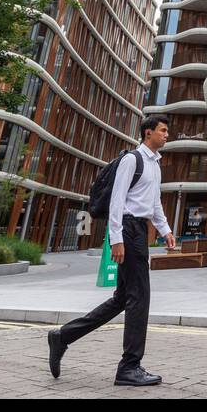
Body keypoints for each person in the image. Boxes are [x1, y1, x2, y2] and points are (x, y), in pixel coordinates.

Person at [48, 116, 175, 386]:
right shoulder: (133, 160)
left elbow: (154, 204)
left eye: (167, 131)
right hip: (128, 230)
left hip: (139, 230)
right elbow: (118, 200)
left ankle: (63, 336)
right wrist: (115, 238)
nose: (167, 135)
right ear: (148, 133)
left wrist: (165, 231)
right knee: (139, 299)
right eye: (163, 131)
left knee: (122, 299)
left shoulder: (156, 165)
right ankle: (129, 367)